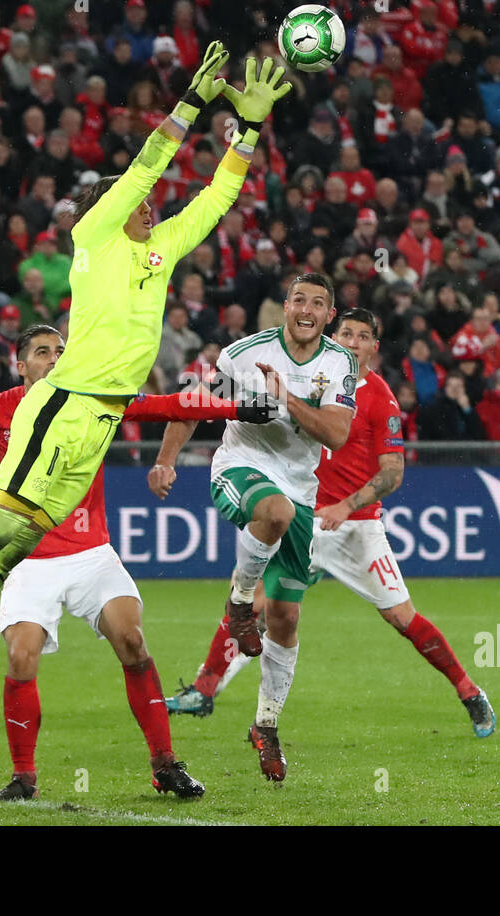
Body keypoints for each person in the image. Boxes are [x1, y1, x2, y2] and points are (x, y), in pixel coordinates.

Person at [0, 45, 284, 727]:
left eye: (153, 203)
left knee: (16, 541)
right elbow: (146, 165)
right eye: (140, 199)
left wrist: (247, 128)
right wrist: (191, 103)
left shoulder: (159, 252)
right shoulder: (94, 234)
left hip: (101, 419)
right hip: (62, 405)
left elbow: (218, 198)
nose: (152, 204)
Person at [0, 324, 272, 800]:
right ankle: (23, 778)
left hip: (91, 554)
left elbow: (169, 404)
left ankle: (165, 764)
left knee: (132, 641)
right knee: (21, 658)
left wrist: (238, 408)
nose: (54, 358)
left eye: (60, 351)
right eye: (42, 351)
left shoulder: (96, 396)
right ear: (20, 365)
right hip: (29, 559)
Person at [166, 309, 495, 751]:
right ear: (332, 336)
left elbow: (392, 472)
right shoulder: (307, 378)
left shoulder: (380, 398)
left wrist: (347, 505)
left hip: (355, 528)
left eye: (363, 336)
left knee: (401, 616)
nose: (353, 342)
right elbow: (230, 399)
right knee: (253, 605)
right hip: (304, 516)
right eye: (346, 334)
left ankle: (469, 692)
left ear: (374, 346)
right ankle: (203, 691)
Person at [148, 273, 357, 781]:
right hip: (241, 467)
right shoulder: (244, 353)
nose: (306, 310)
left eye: (318, 304)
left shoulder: (338, 363)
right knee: (274, 513)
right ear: (285, 306)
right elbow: (192, 403)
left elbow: (336, 434)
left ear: (329, 315)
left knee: (284, 617)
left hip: (301, 488)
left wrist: (286, 398)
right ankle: (240, 602)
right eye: (299, 300)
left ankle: (265, 725)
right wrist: (165, 461)